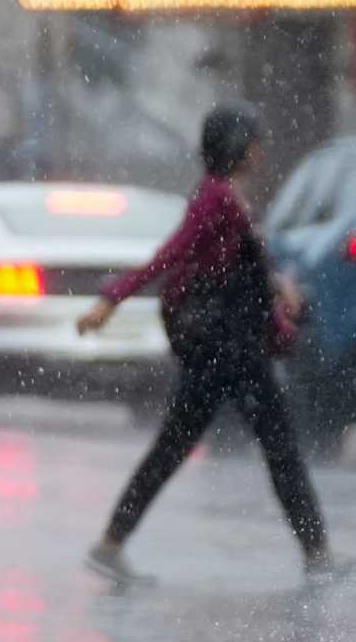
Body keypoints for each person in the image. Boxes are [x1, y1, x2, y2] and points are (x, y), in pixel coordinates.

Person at [76, 104, 337, 586]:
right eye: (254, 140)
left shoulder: (226, 198)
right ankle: (317, 553)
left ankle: (111, 543)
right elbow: (172, 254)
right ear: (238, 146)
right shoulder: (216, 199)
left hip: (227, 348)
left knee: (179, 447)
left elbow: (237, 260)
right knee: (276, 447)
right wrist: (112, 299)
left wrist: (280, 287)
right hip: (227, 349)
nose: (261, 149)